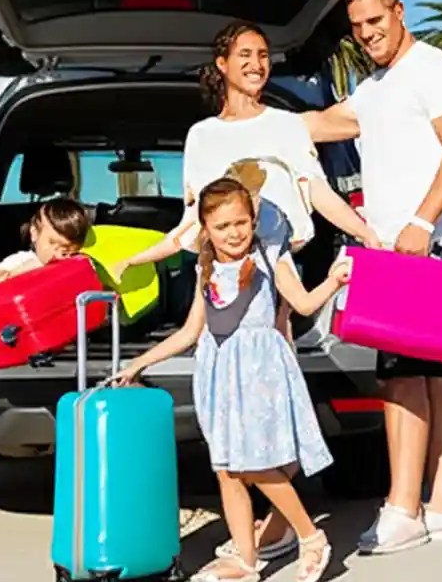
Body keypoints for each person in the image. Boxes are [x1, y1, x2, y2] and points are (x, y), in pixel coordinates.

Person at [301, 0, 442, 554]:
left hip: (428, 242)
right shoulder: (374, 89)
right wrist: (247, 118)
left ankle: (403, 509)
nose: (366, 34)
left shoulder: (436, 69)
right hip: (391, 251)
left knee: (402, 374)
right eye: (356, 26)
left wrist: (423, 222)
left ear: (399, 11)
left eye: (375, 21)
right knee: (430, 372)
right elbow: (324, 123)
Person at [111, 178, 350, 582]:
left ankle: (310, 536)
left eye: (242, 222)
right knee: (227, 470)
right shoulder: (206, 268)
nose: (234, 233)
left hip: (260, 373)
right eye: (222, 226)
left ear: (254, 221)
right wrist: (138, 363)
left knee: (255, 464)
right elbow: (190, 333)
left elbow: (305, 302)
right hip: (219, 377)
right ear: (205, 228)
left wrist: (333, 280)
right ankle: (245, 557)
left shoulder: (268, 258)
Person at [109, 20, 380, 285]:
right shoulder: (203, 136)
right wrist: (135, 259)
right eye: (245, 55)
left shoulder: (287, 125)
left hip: (280, 271)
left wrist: (366, 234)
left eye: (263, 55)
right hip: (222, 275)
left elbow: (317, 192)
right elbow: (196, 218)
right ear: (222, 64)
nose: (257, 64)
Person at [0, 198, 91, 297]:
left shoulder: (80, 264)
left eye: (70, 250)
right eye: (53, 243)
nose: (61, 254)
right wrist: (13, 275)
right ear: (34, 233)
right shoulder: (24, 261)